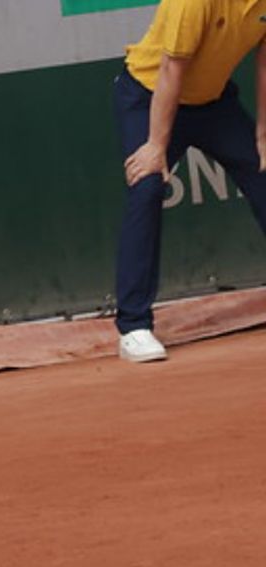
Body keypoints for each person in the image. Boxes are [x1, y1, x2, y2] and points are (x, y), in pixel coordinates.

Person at [114, 0, 266, 362]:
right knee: (147, 185)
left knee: (264, 169)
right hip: (150, 93)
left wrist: (263, 131)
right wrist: (156, 145)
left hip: (214, 104)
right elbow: (170, 69)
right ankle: (134, 327)